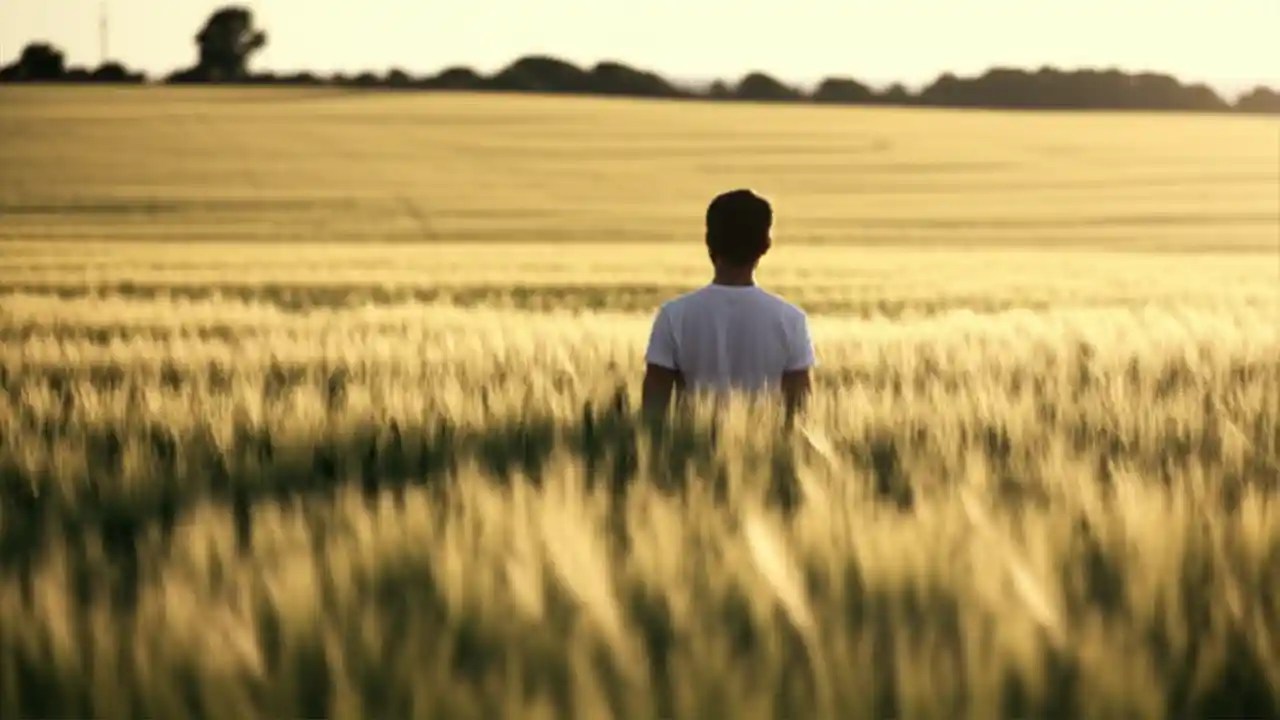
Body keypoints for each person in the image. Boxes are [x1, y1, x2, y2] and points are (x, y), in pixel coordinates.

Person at [642, 189, 815, 424]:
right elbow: (801, 416)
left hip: (690, 455)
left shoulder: (673, 316)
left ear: (709, 241)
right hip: (763, 457)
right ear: (765, 245)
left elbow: (652, 415)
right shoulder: (792, 320)